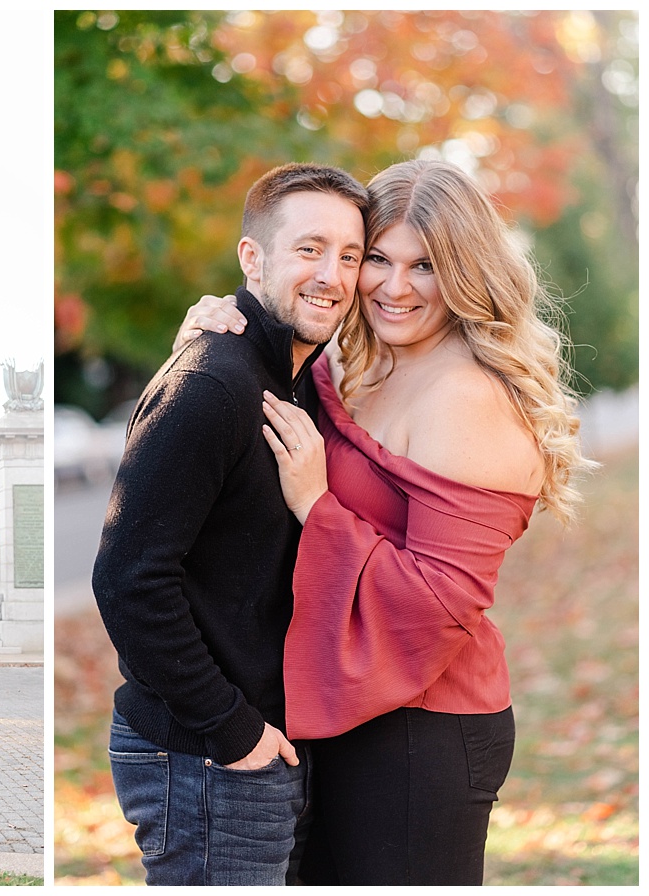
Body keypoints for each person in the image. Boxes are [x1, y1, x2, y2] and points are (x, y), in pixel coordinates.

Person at [174, 158, 594, 884]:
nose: (395, 288)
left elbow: (440, 603)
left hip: (423, 727)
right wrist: (215, 332)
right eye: (377, 259)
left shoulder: (467, 396)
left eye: (425, 266)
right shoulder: (356, 360)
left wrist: (317, 505)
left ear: (465, 273)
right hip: (341, 707)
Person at [91, 162, 370, 886]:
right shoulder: (214, 382)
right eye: (309, 249)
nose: (332, 276)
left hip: (262, 747)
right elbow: (127, 579)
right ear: (253, 257)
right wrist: (232, 730)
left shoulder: (292, 379)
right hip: (207, 757)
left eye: (350, 255)